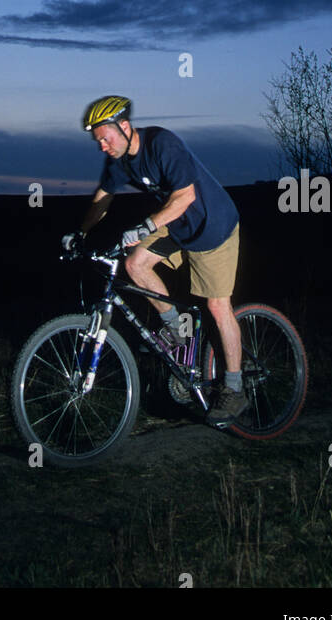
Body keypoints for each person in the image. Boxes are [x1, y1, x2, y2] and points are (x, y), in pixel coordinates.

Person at [62, 95, 248, 425]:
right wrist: (81, 231)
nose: (102, 146)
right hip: (177, 225)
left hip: (212, 226)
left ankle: (235, 389)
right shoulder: (119, 161)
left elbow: (186, 196)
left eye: (106, 138)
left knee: (218, 306)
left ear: (124, 126)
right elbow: (103, 197)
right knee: (135, 264)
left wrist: (148, 224)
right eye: (98, 141)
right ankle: (178, 328)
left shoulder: (162, 144)